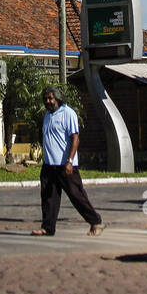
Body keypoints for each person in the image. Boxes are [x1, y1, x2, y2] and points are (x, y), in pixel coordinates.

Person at [31, 85, 104, 237]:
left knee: (76, 196)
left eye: (50, 98)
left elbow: (75, 138)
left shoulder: (68, 113)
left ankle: (95, 222)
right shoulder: (47, 116)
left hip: (65, 165)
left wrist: (70, 161)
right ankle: (47, 227)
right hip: (49, 165)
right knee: (48, 197)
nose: (48, 101)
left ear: (57, 98)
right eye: (45, 99)